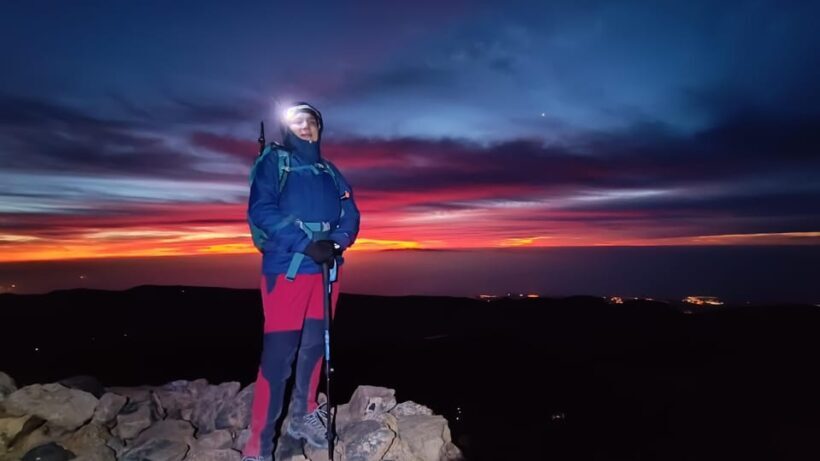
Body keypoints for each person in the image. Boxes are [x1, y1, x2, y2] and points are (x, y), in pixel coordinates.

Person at [242, 102, 360, 461]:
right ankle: (258, 446)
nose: (306, 126)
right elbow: (261, 209)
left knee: (314, 348)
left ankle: (303, 414)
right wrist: (306, 244)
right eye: (298, 121)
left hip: (326, 271)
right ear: (287, 129)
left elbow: (351, 213)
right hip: (288, 269)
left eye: (312, 122)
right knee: (278, 357)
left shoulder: (329, 170)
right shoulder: (274, 162)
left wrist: (336, 242)